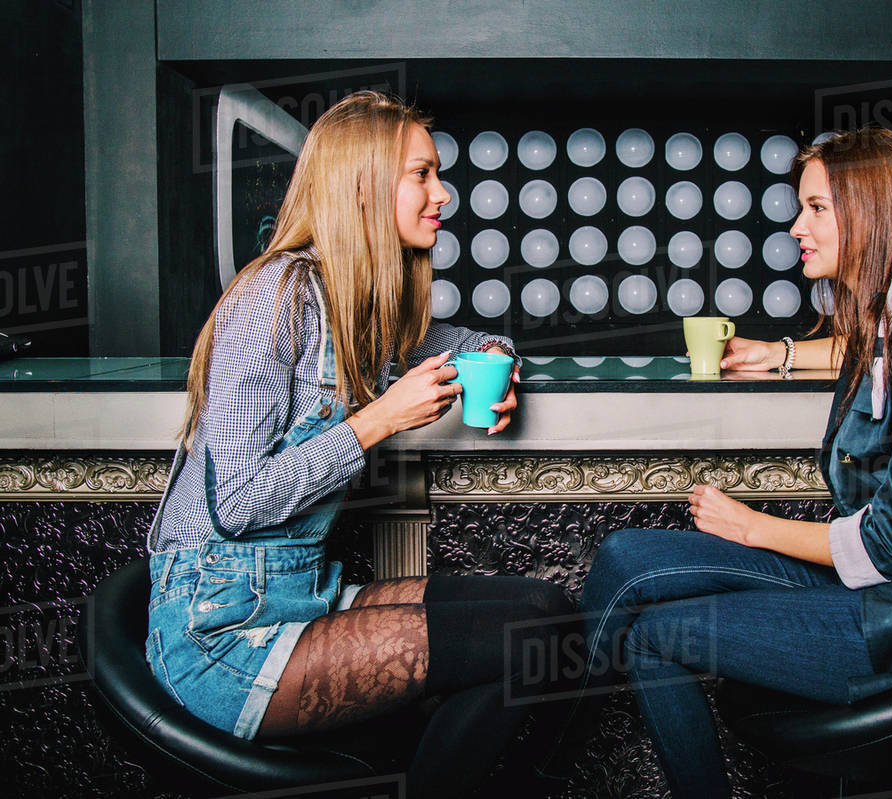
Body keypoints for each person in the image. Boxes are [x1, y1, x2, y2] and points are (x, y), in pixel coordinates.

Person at [570, 127, 892, 798]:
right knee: (621, 557)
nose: (795, 225)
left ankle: (551, 764)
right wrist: (778, 353)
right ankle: (555, 744)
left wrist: (749, 524)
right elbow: (866, 344)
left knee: (653, 636)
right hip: (873, 586)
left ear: (869, 212)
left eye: (816, 208)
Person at [143, 91, 571, 798]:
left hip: (303, 599)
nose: (445, 194)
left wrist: (499, 362)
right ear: (365, 186)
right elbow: (240, 502)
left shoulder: (360, 303)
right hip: (221, 632)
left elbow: (471, 340)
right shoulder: (272, 296)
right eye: (423, 174)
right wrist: (379, 419)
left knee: (549, 614)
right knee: (532, 645)